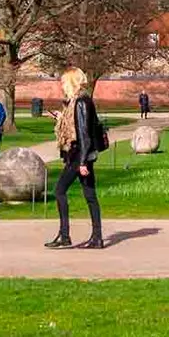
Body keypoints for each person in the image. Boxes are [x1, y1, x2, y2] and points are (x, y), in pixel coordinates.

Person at [46, 67, 105, 250]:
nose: (62, 86)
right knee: (90, 195)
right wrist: (60, 118)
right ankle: (97, 237)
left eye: (64, 82)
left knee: (59, 190)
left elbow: (84, 133)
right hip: (81, 153)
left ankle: (65, 236)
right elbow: (77, 126)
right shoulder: (77, 101)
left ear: (72, 82)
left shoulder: (80, 102)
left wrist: (82, 163)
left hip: (79, 154)